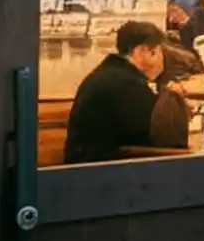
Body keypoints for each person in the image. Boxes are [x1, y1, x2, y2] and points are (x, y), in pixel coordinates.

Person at [64, 21, 189, 164]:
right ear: (144, 51)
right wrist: (175, 98)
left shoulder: (112, 73)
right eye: (160, 51)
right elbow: (160, 135)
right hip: (95, 173)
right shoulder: (125, 84)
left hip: (88, 168)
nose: (162, 58)